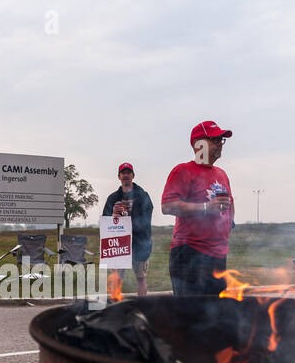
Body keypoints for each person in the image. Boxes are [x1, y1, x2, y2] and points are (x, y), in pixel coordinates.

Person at [161, 120, 235, 297]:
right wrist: (205, 207)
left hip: (218, 255)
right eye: (215, 139)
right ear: (198, 144)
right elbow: (167, 206)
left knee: (214, 315)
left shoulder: (221, 174)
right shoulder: (183, 171)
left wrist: (229, 223)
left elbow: (230, 203)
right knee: (192, 317)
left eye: (221, 140)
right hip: (190, 254)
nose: (220, 144)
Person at [100, 162, 154, 296]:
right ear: (119, 176)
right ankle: (114, 305)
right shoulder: (113, 198)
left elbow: (146, 219)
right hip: (119, 243)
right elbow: (105, 220)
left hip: (139, 243)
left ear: (133, 175)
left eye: (128, 172)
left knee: (140, 278)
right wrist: (114, 215)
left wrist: (127, 221)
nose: (126, 175)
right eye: (123, 173)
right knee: (116, 276)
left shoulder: (142, 196)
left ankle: (142, 306)